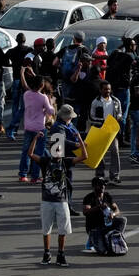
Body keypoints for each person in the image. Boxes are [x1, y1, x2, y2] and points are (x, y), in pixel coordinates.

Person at [37, 105, 86, 266]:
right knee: (66, 182)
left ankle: (68, 203)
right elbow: (62, 141)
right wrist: (77, 143)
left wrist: (82, 140)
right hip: (61, 159)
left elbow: (75, 135)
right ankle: (48, 253)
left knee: (68, 184)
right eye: (70, 116)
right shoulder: (58, 127)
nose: (71, 118)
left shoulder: (68, 125)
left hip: (66, 159)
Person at [89, 80, 123, 184]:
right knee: (100, 154)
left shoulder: (116, 101)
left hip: (112, 132)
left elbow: (120, 113)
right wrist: (103, 122)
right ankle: (100, 175)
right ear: (100, 90)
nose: (107, 91)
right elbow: (91, 117)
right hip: (100, 131)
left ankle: (114, 176)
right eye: (105, 89)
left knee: (115, 151)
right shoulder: (96, 102)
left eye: (109, 89)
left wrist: (118, 118)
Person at [81, 176, 122, 254]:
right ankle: (92, 240)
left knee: (122, 220)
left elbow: (117, 210)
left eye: (104, 184)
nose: (103, 186)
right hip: (95, 227)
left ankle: (114, 238)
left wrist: (113, 214)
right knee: (103, 251)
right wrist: (98, 207)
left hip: (106, 224)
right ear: (94, 186)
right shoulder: (89, 198)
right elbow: (85, 212)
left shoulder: (107, 196)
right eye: (100, 184)